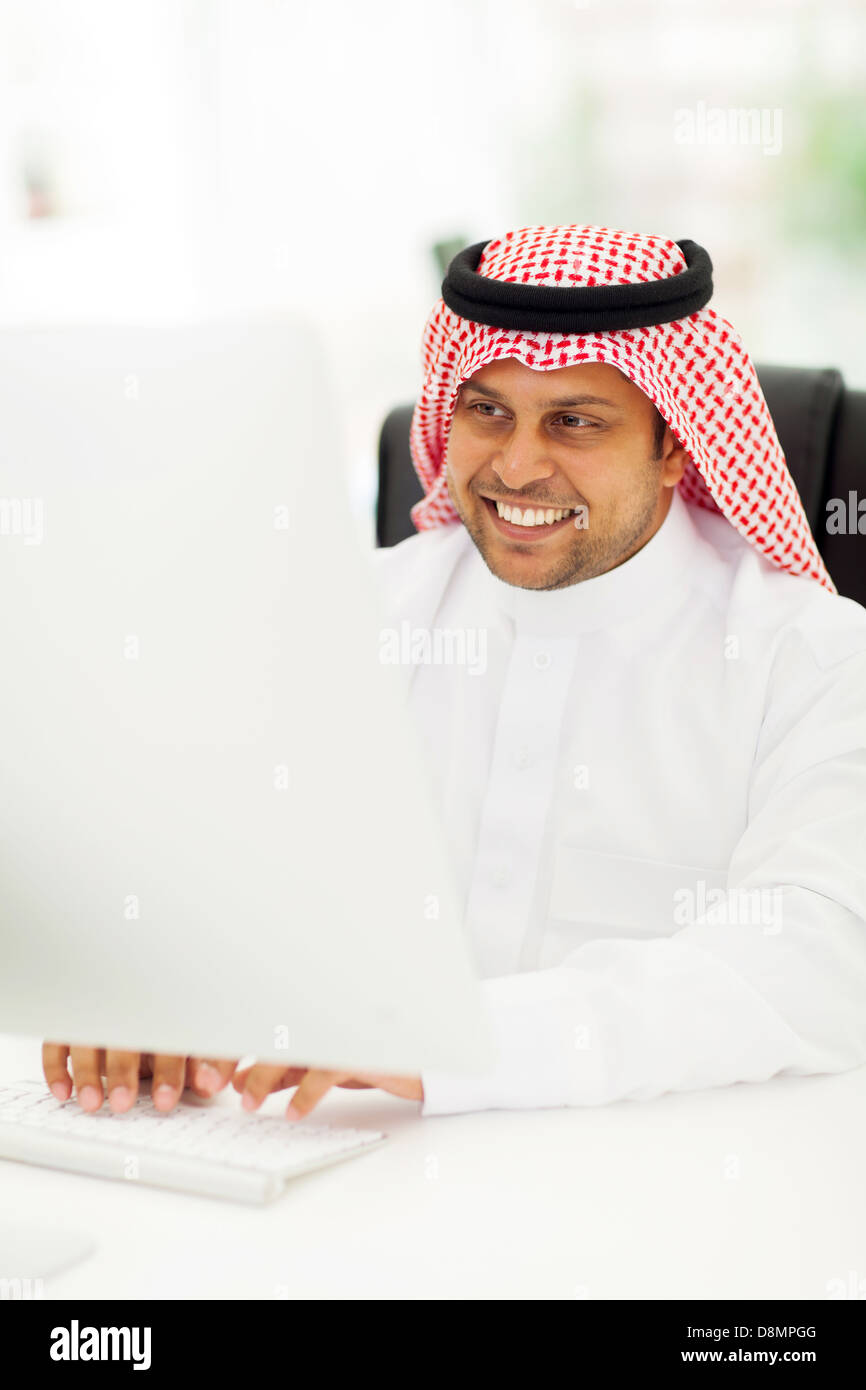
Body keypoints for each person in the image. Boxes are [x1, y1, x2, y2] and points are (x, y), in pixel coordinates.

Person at [43, 224, 866, 1120]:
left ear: (677, 445)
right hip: (354, 1167)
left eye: (575, 421)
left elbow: (820, 955)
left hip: (677, 1198)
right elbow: (203, 853)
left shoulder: (814, 658)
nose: (516, 465)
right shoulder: (349, 615)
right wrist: (146, 989)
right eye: (486, 411)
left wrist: (460, 1046)